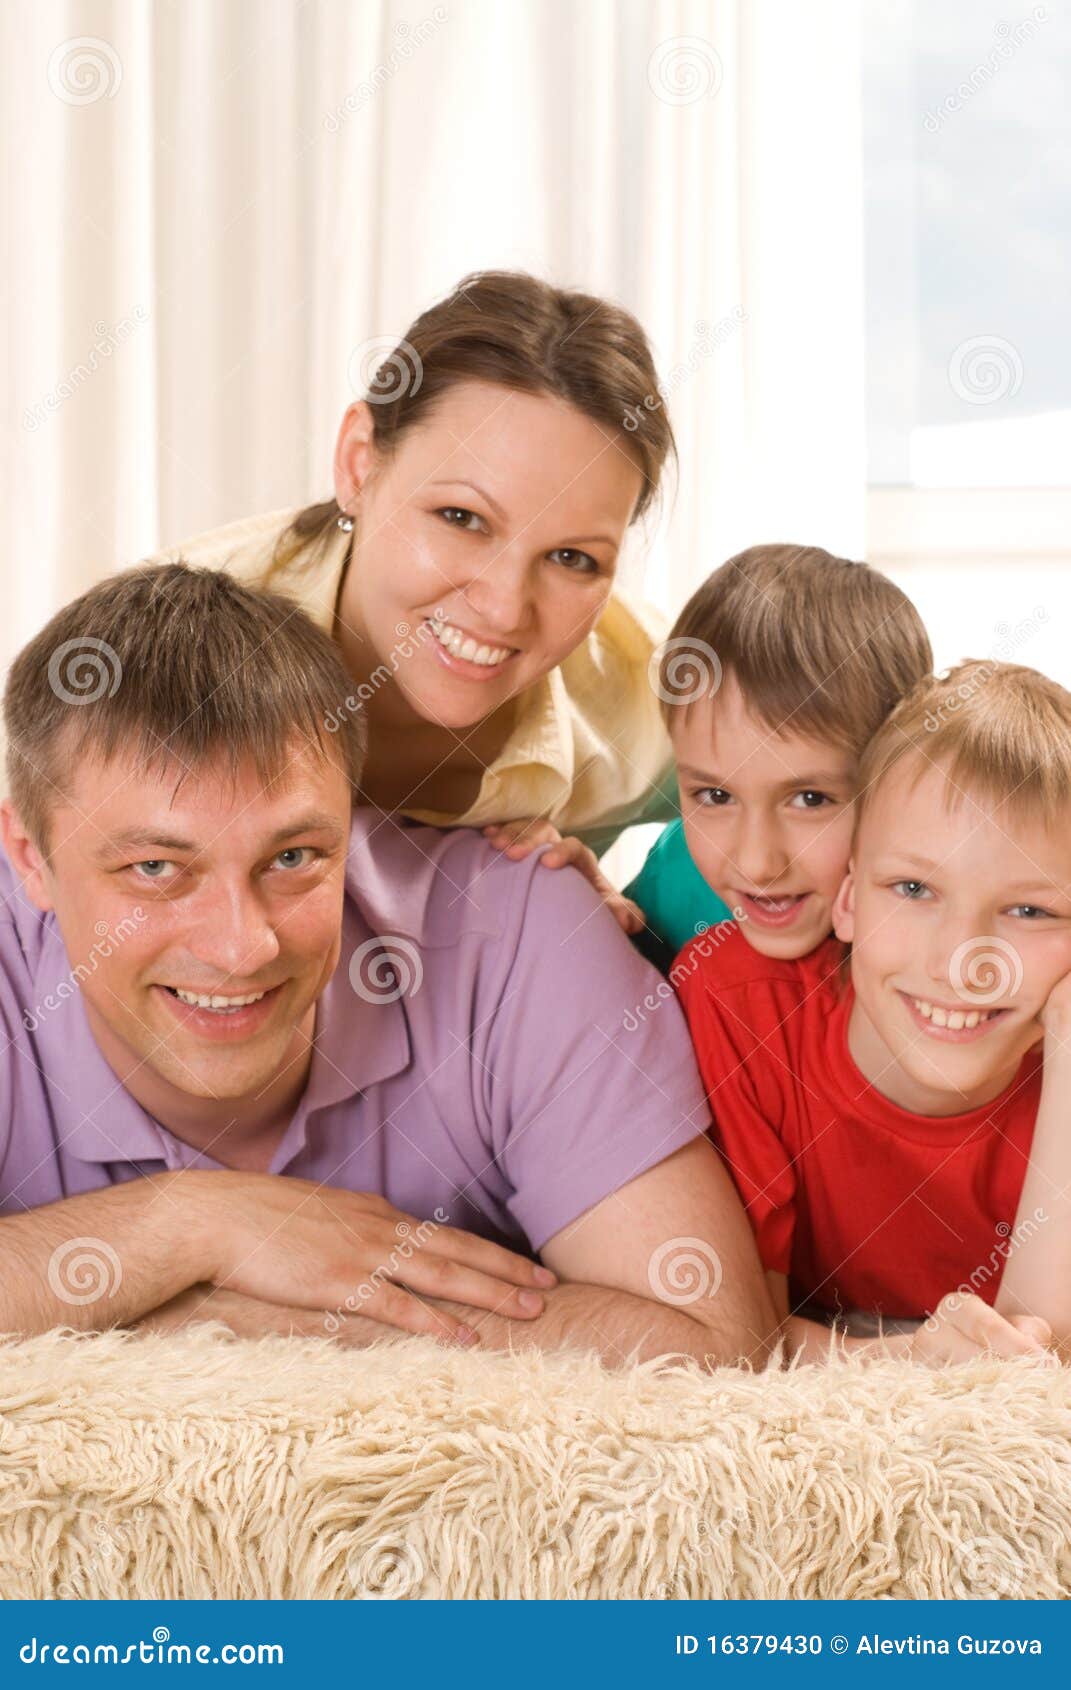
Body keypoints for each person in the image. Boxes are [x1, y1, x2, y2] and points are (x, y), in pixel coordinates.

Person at [0, 561, 776, 1368]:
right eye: (156, 870)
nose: (241, 948)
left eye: (294, 856)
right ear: (30, 856)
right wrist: (194, 1225)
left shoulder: (519, 933)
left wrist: (221, 1311)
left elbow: (713, 1350)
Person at [146, 270, 683, 931]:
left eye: (572, 558)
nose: (504, 608)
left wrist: (635, 933)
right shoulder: (146, 655)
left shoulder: (658, 696)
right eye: (461, 517)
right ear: (358, 465)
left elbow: (823, 813)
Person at [675, 660, 1071, 1365]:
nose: (960, 960)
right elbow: (740, 1331)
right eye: (913, 887)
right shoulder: (737, 1004)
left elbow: (1037, 1366)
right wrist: (903, 1364)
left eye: (1028, 909)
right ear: (849, 898)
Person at [619, 544, 933, 972]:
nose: (756, 864)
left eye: (810, 799)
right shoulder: (674, 876)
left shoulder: (946, 914)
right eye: (714, 795)